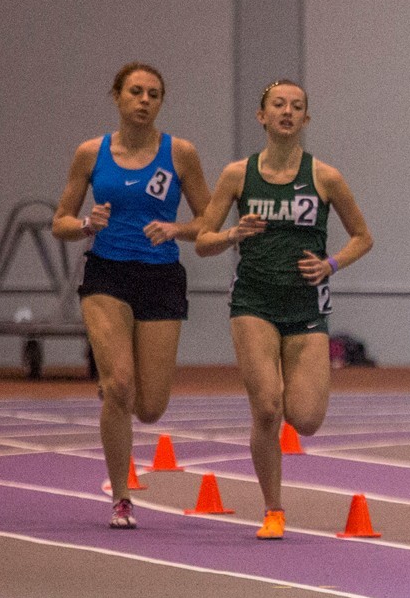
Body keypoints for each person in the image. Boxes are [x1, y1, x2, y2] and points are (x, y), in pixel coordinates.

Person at [195, 80, 373, 539]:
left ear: (306, 120)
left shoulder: (325, 177)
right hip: (253, 301)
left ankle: (276, 477)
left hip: (305, 304)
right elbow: (203, 241)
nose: (287, 112)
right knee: (268, 407)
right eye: (279, 105)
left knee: (307, 419)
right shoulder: (238, 174)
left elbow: (363, 237)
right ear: (263, 116)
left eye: (297, 107)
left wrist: (331, 264)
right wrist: (234, 234)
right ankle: (273, 508)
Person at [52, 63, 213, 529]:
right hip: (107, 275)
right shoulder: (91, 153)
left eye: (154, 94)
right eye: (136, 92)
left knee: (150, 406)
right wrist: (85, 224)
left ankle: (115, 389)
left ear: (161, 102)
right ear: (118, 97)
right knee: (121, 385)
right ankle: (121, 495)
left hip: (160, 277)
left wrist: (177, 228)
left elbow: (208, 220)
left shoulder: (180, 153)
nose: (145, 100)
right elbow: (61, 220)